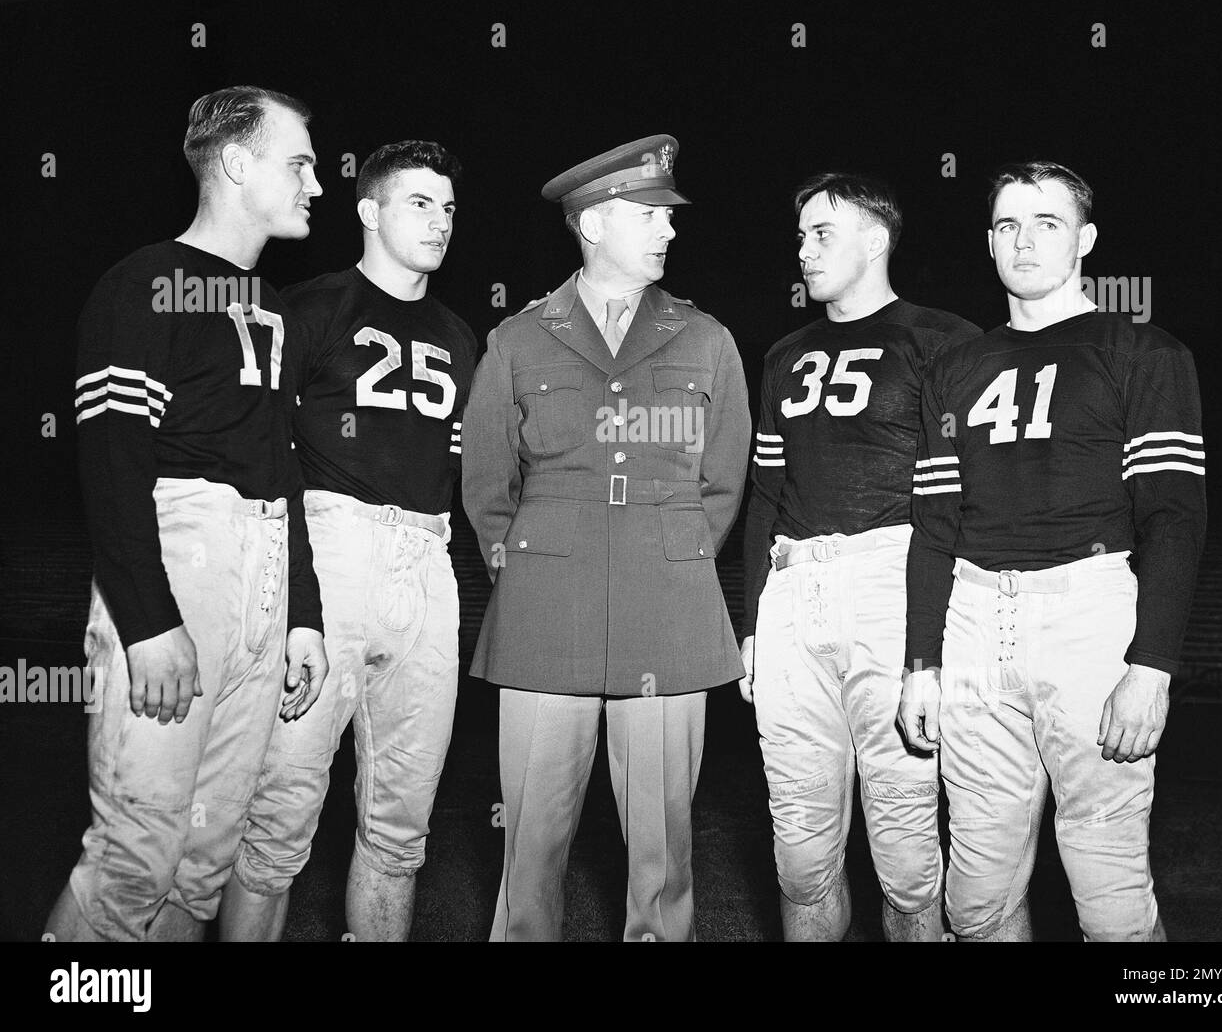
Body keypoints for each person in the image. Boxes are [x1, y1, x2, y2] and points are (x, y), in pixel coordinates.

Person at [46, 85, 328, 942]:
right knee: (135, 854)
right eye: (299, 163)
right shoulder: (142, 283)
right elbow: (112, 465)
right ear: (237, 165)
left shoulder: (274, 308)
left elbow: (285, 469)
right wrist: (147, 619)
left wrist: (303, 616)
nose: (315, 184)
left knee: (204, 860)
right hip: (179, 562)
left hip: (265, 570)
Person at [899, 160, 1207, 941]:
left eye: (1047, 223)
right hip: (972, 618)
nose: (1024, 241)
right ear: (989, 242)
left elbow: (1173, 517)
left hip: (1090, 616)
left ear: (1087, 239)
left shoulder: (1144, 351)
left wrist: (1151, 666)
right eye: (1007, 225)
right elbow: (933, 528)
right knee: (975, 899)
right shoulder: (954, 368)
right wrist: (920, 662)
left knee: (1108, 891)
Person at [460, 134, 750, 941]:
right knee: (530, 861)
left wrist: (672, 556)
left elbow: (722, 483)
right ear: (592, 224)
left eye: (668, 215)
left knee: (664, 861)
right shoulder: (517, 339)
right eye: (650, 214)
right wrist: (525, 569)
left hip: (669, 616)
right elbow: (487, 485)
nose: (670, 230)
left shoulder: (707, 340)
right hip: (544, 617)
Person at [223, 140, 476, 941]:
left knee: (401, 833)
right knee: (277, 821)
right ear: (368, 209)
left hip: (428, 562)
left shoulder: (461, 335)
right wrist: (288, 591)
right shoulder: (309, 307)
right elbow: (257, 452)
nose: (439, 222)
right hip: (330, 553)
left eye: (448, 208)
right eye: (418, 203)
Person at [739, 173, 979, 942]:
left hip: (891, 577)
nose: (802, 250)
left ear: (875, 240)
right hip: (794, 587)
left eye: (822, 234)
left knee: (907, 858)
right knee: (801, 855)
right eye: (800, 234)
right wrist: (750, 626)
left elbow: (961, 502)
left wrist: (929, 647)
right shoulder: (783, 353)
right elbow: (762, 497)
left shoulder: (942, 340)